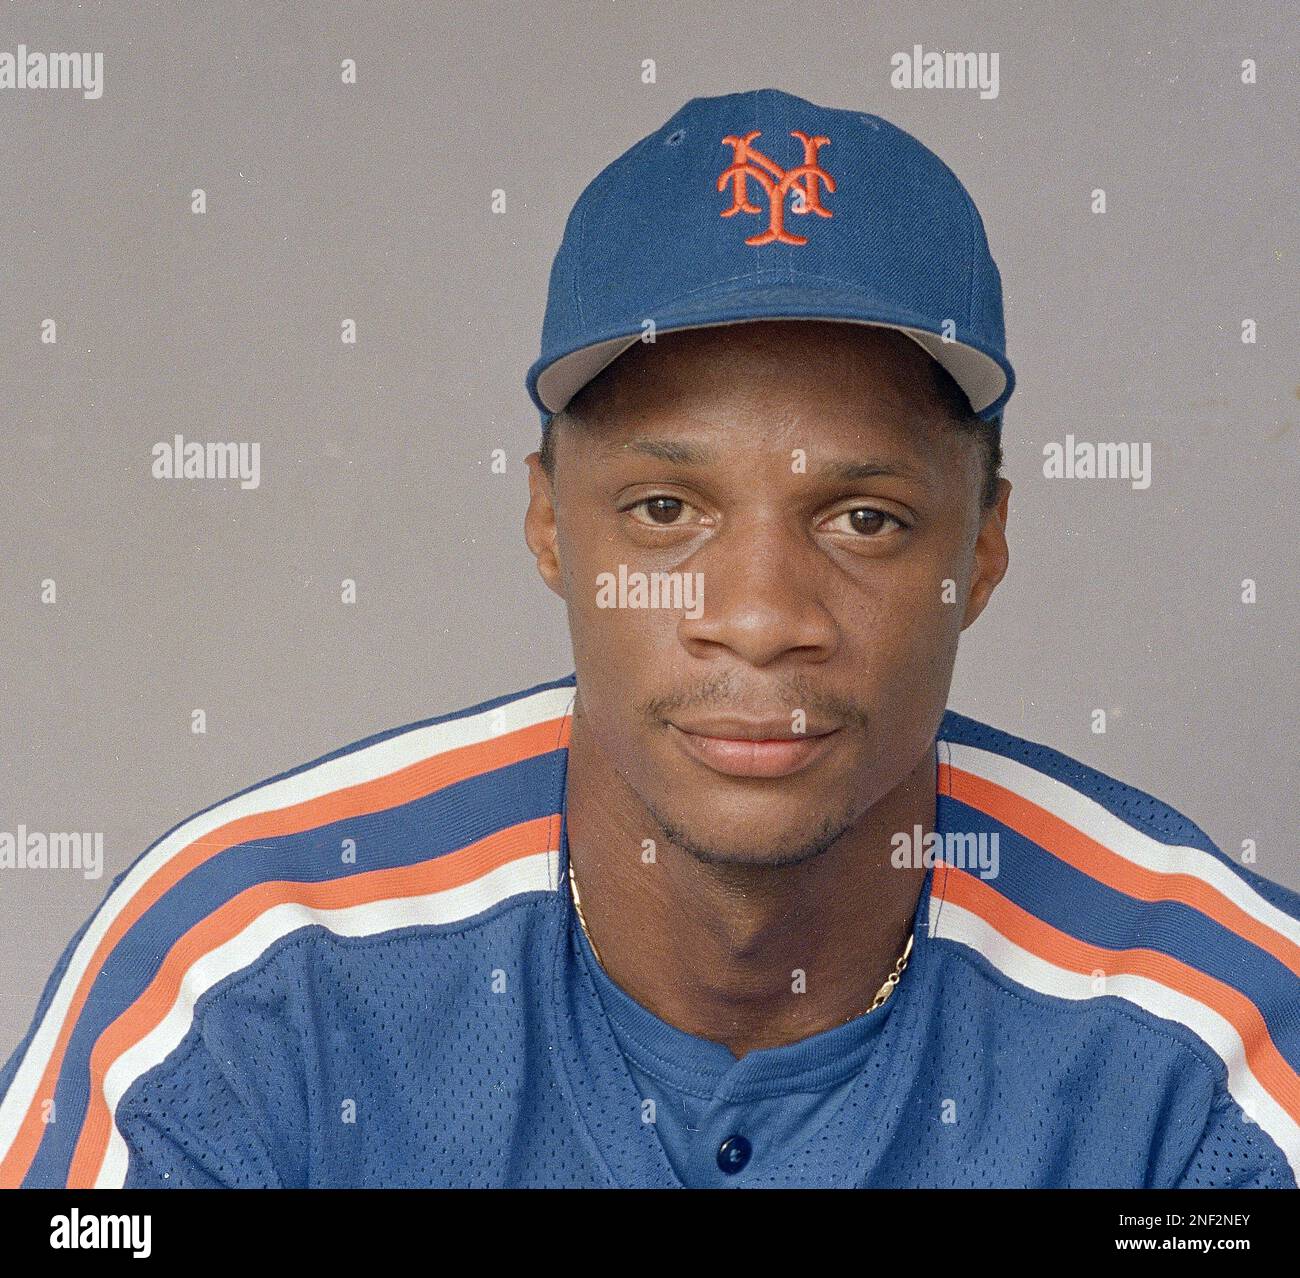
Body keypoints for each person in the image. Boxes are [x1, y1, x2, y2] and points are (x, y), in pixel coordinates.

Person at [1, 88, 1296, 1189]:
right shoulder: (234, 991)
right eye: (667, 510)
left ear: (984, 544)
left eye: (863, 516)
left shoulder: (1218, 1042)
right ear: (550, 524)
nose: (760, 615)